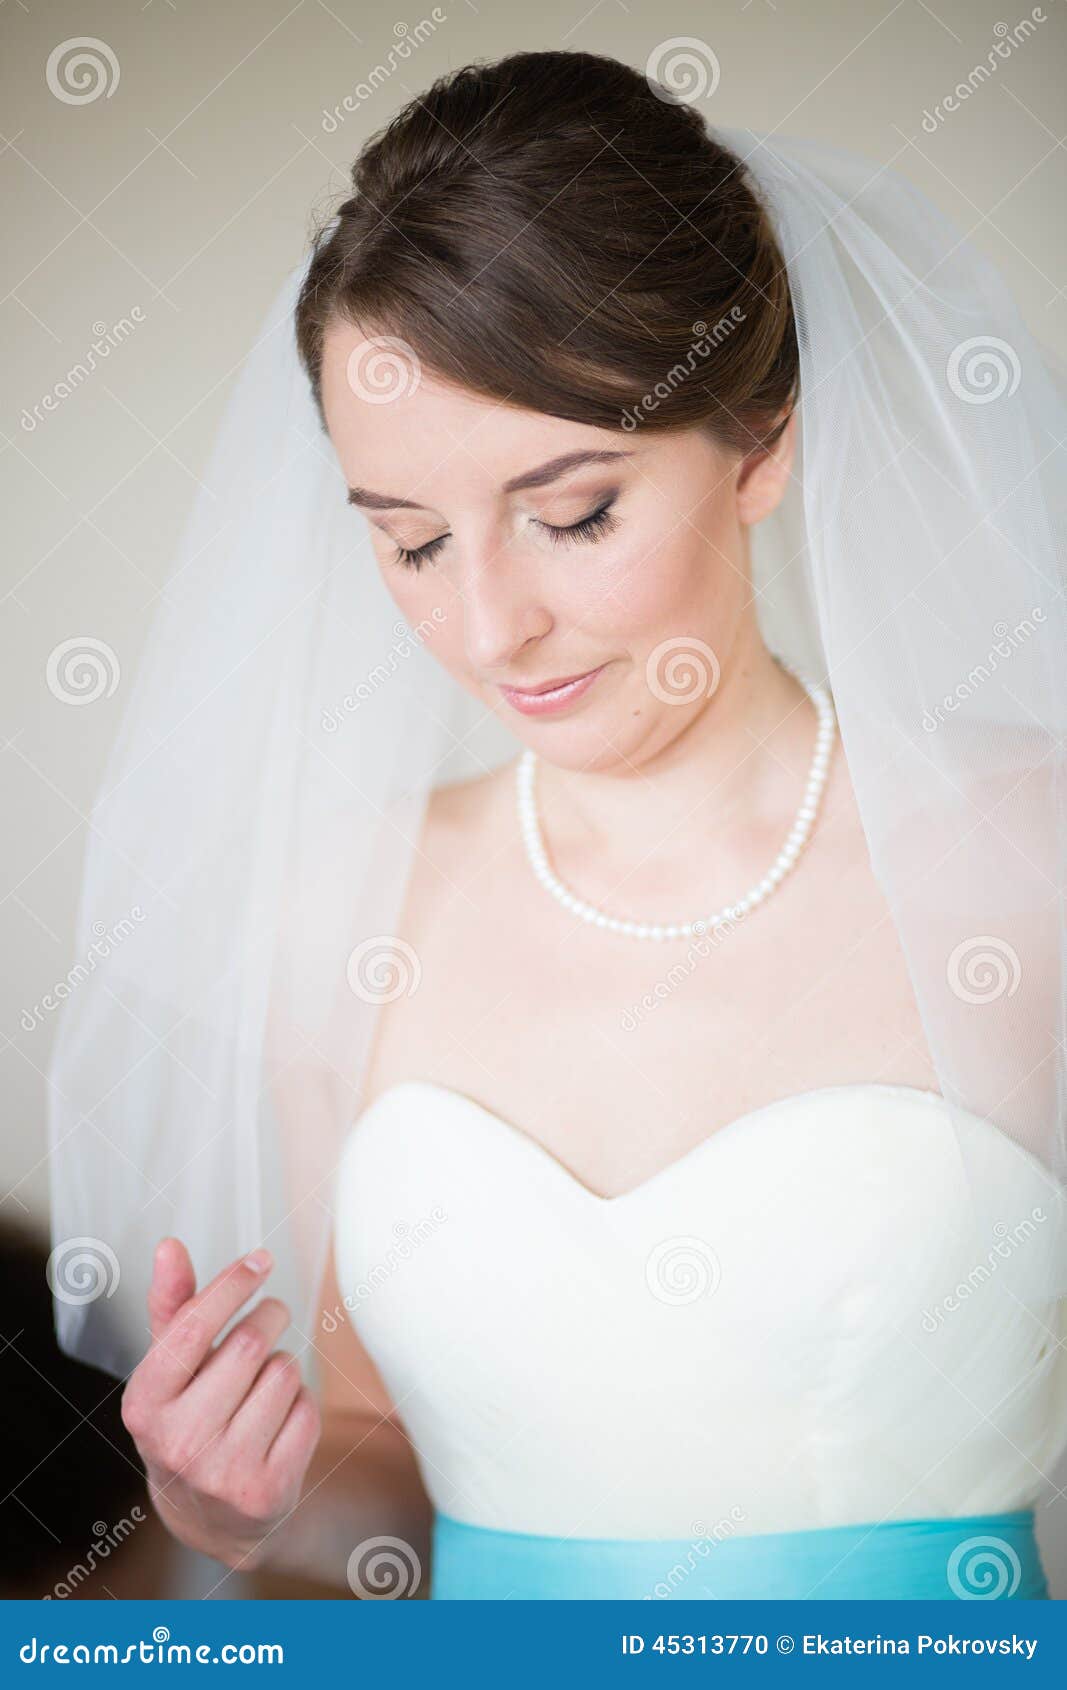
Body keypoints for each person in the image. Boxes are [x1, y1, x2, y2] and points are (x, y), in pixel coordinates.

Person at [56, 49, 1067, 1601]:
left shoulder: (1033, 859)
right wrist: (246, 1503)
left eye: (575, 512)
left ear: (764, 438)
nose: (490, 626)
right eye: (410, 542)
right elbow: (380, 1447)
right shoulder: (352, 908)